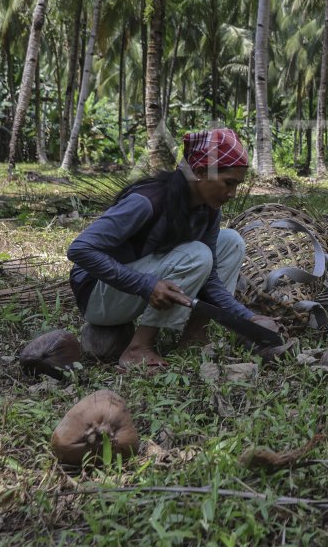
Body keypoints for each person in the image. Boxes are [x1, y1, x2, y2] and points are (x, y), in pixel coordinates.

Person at [67, 127, 274, 370]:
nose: (232, 194)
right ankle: (138, 347)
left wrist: (248, 318)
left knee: (231, 241)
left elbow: (211, 279)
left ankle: (195, 336)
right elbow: (80, 250)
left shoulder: (208, 210)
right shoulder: (147, 201)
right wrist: (146, 285)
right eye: (228, 183)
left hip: (133, 289)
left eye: (237, 185)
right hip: (98, 295)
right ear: (199, 171)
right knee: (198, 254)